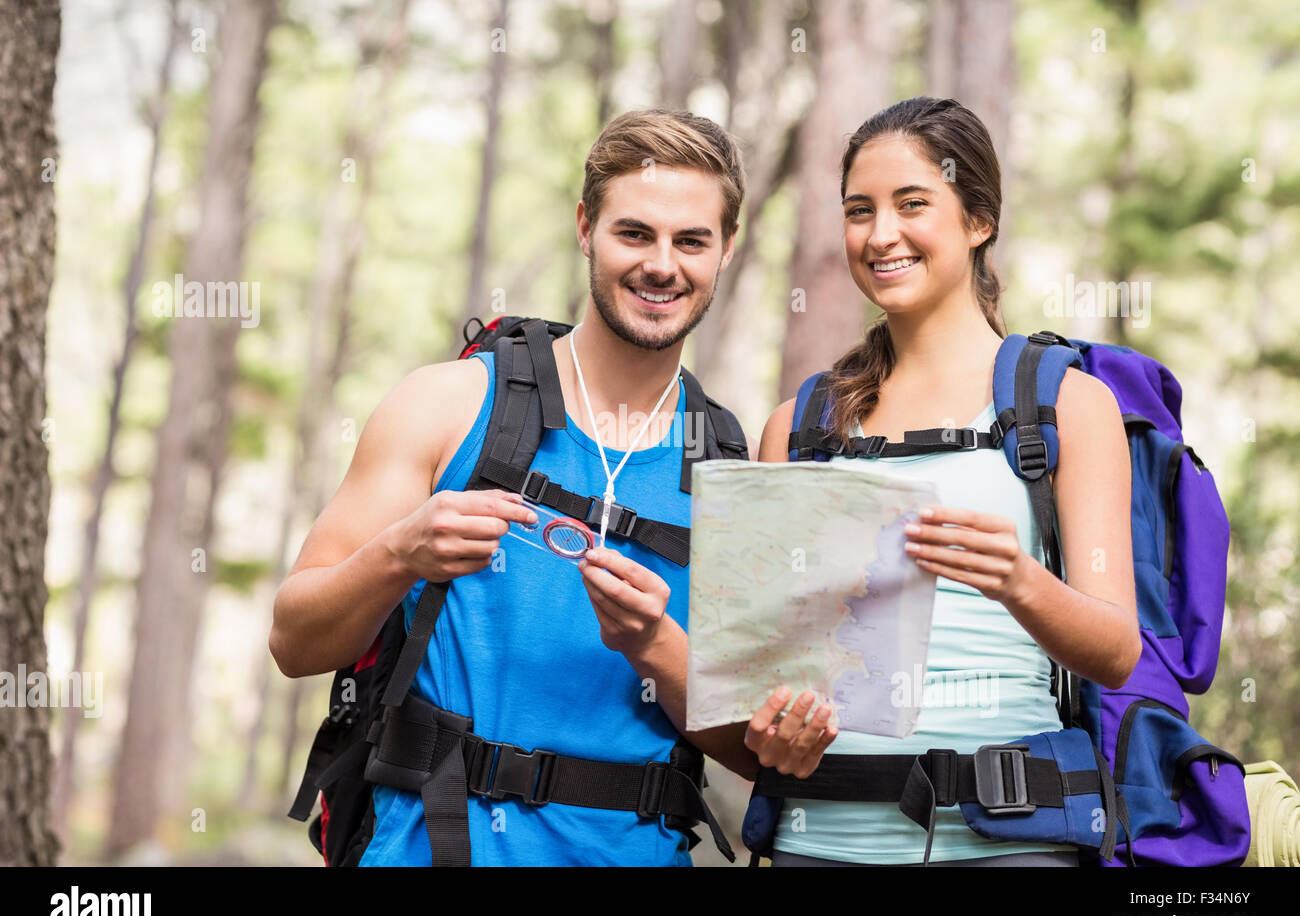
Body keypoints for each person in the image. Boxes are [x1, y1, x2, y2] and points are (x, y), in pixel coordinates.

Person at [269, 108, 756, 865]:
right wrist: (400, 553)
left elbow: (753, 751)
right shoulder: (447, 403)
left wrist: (655, 647)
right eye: (634, 233)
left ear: (727, 248)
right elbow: (294, 640)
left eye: (691, 240)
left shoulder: (727, 466)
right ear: (585, 226)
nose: (663, 265)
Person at [743, 96, 1140, 866]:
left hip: (1006, 843)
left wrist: (1020, 581)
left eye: (912, 204)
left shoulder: (1063, 404)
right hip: (818, 838)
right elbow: (767, 667)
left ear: (978, 220)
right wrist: (767, 724)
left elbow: (1116, 650)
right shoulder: (797, 426)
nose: (880, 234)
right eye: (859, 210)